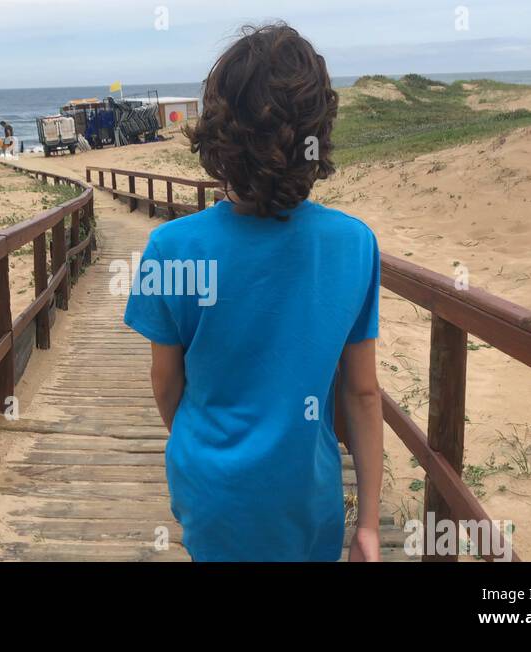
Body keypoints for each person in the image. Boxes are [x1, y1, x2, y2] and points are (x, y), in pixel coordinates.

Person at [123, 23, 383, 562]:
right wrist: (370, 526)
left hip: (212, 492)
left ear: (218, 136)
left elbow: (166, 383)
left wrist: (203, 445)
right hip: (306, 495)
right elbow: (361, 394)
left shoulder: (171, 248)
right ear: (318, 133)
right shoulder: (354, 244)